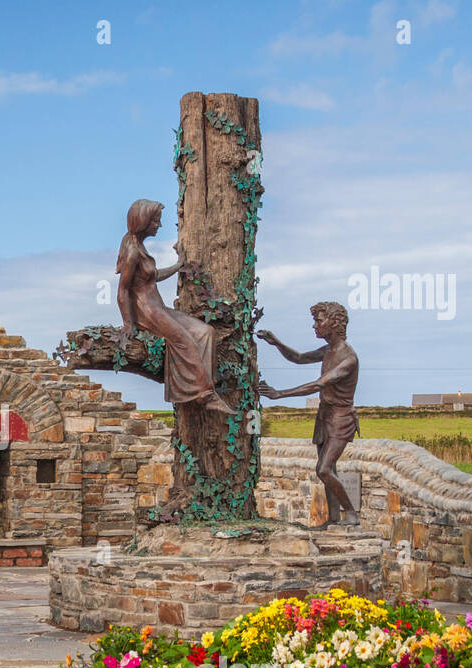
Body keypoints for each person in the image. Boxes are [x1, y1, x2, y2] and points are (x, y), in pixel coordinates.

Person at [116, 199, 234, 414]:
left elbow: (153, 276)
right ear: (143, 221)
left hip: (158, 308)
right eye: (155, 221)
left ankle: (206, 378)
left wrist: (178, 266)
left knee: (206, 332)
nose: (158, 226)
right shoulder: (132, 252)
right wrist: (128, 324)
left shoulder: (139, 247)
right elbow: (122, 291)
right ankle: (206, 395)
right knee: (183, 340)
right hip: (147, 312)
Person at [257, 301, 361, 527]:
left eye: (318, 321)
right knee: (329, 469)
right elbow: (299, 358)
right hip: (325, 417)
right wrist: (276, 343)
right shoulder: (327, 350)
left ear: (333, 323)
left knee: (323, 469)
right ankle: (333, 519)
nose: (314, 326)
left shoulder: (348, 358)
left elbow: (318, 384)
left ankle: (351, 513)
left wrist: (279, 394)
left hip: (341, 419)